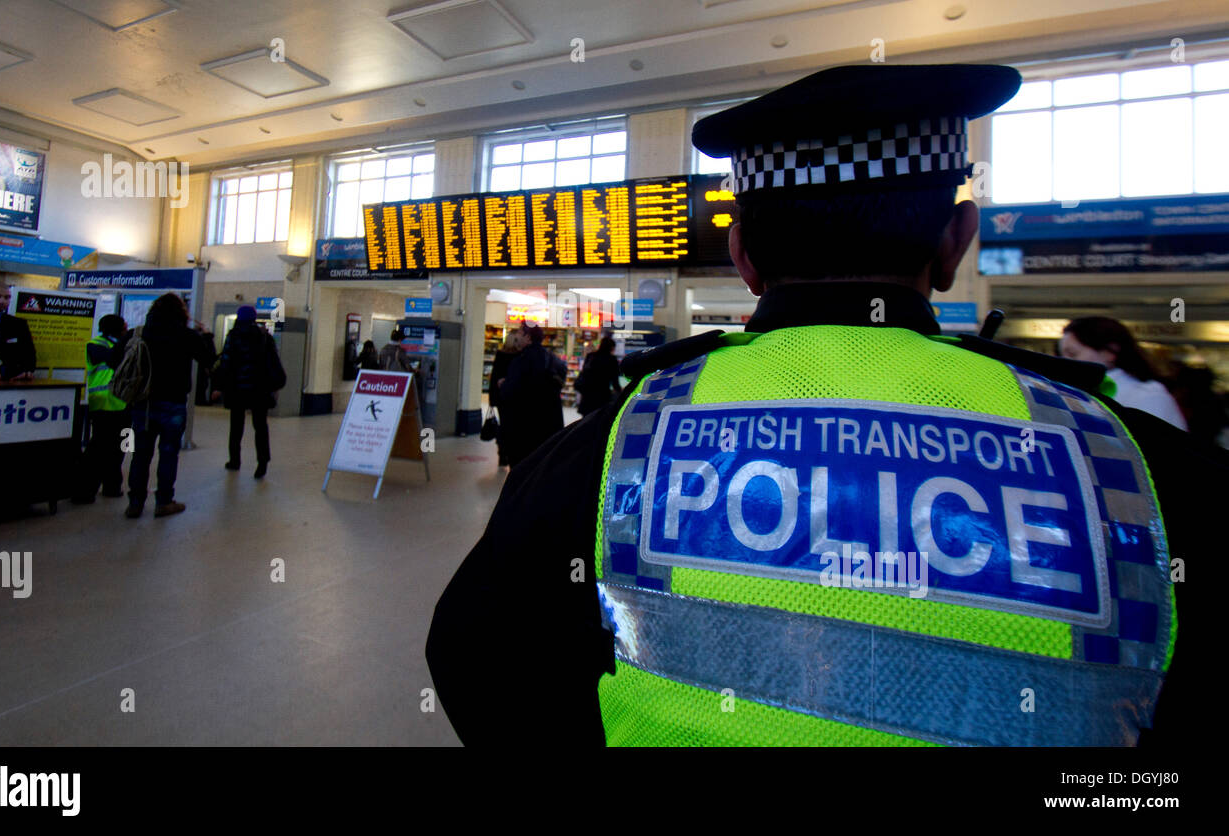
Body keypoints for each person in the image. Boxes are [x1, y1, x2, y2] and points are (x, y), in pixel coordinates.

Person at [428, 63, 1216, 747]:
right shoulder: (1136, 468)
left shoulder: (608, 452)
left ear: (743, 258)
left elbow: (471, 659)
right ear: (955, 242)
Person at [125, 293, 215, 518]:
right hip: (173, 402)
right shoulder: (187, 335)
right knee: (168, 453)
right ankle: (164, 501)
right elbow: (208, 361)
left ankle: (135, 502)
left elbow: (114, 359)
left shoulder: (138, 333)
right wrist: (207, 337)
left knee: (140, 454)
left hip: (143, 403)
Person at [1059, 317, 1188, 431]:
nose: (1064, 361)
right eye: (1062, 354)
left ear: (1109, 352)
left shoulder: (1147, 395)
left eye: (1072, 354)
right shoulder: (1076, 392)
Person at [211, 305, 286, 478]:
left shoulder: (233, 336)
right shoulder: (265, 337)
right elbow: (273, 361)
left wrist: (219, 386)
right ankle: (262, 462)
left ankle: (234, 460)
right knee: (260, 426)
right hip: (260, 389)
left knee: (236, 426)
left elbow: (226, 363)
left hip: (237, 389)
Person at [73, 314, 129, 503]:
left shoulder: (122, 345)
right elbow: (113, 359)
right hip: (104, 405)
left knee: (122, 446)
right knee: (98, 448)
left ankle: (113, 486)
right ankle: (83, 491)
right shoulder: (96, 345)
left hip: (125, 404)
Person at [496, 324, 566, 468]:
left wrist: (503, 384)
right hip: (548, 424)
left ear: (528, 338)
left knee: (521, 467)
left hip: (523, 427)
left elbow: (509, 392)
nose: (517, 336)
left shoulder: (521, 361)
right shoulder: (554, 359)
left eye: (520, 333)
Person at [487, 328, 525, 467]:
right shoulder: (521, 356)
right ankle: (510, 454)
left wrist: (492, 399)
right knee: (514, 427)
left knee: (504, 426)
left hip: (502, 398)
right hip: (515, 399)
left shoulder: (501, 355)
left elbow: (494, 378)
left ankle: (502, 453)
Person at [575, 334, 620, 416]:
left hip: (587, 395)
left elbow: (584, 373)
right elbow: (615, 382)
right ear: (611, 348)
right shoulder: (612, 360)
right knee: (599, 422)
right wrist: (621, 393)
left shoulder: (590, 356)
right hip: (602, 396)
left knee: (586, 421)